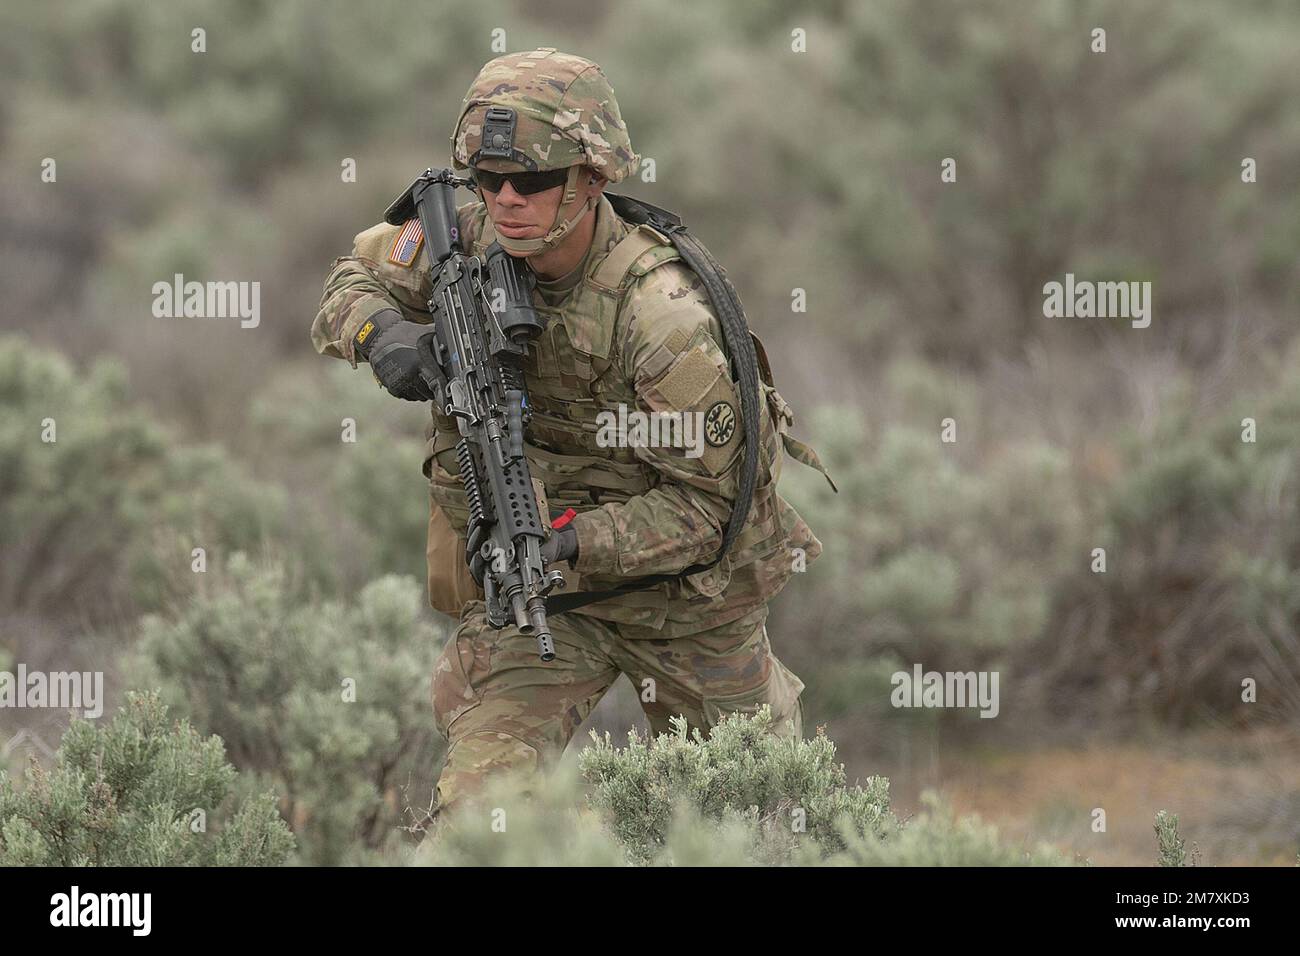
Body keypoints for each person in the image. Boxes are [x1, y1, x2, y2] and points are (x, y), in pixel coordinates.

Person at [311, 48, 833, 818]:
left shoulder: (661, 316)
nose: (508, 200)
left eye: (535, 181)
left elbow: (707, 513)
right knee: (477, 824)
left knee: (763, 819)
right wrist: (380, 334)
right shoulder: (461, 234)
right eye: (489, 182)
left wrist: (573, 541)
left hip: (684, 606)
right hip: (540, 599)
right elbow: (349, 279)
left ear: (594, 178)